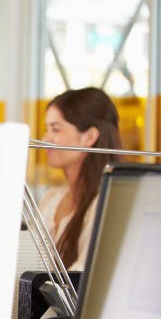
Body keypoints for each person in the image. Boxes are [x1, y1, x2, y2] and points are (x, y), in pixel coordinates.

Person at [38, 87, 122, 270]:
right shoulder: (50, 199)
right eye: (46, 129)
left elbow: (84, 281)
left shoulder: (103, 204)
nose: (45, 138)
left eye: (56, 129)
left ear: (90, 137)